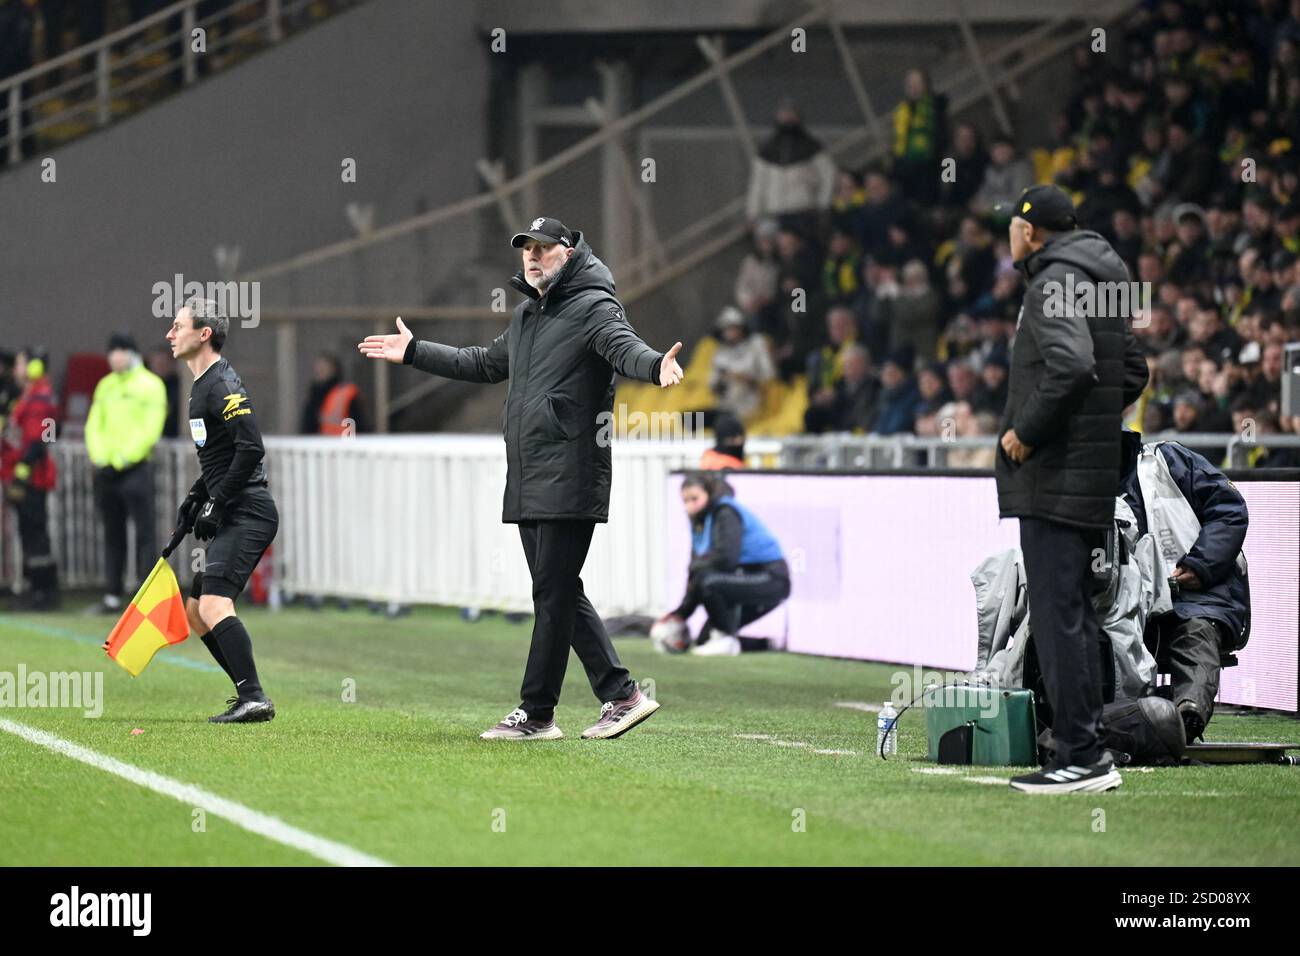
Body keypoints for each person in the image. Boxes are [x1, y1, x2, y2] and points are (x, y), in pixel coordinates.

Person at [358, 216, 685, 741]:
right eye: (526, 249)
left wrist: (654, 368)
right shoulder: (529, 314)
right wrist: (415, 351)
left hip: (570, 472)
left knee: (552, 594)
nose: (532, 257)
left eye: (544, 248)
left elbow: (624, 347)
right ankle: (622, 695)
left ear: (570, 252)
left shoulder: (595, 306)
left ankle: (537, 714)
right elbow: (485, 364)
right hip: (531, 473)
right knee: (557, 590)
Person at [995, 185, 1149, 794]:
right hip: (1090, 477)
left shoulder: (1052, 280)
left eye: (1011, 224)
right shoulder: (1101, 275)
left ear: (1029, 230)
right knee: (1075, 613)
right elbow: (1130, 370)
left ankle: (1079, 756)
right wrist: (1091, 429)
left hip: (1055, 478)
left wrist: (1025, 434)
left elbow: (1072, 365)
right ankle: (1090, 753)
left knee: (1058, 616)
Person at [166, 298, 279, 724]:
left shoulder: (221, 385)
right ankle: (246, 693)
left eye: (178, 326)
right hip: (234, 507)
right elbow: (222, 454)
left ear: (203, 334)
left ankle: (254, 697)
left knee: (213, 605)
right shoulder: (202, 385)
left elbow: (251, 448)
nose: (170, 334)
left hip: (249, 511)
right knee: (196, 611)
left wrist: (217, 500)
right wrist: (198, 494)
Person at [1118, 431, 1249, 742]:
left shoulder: (1169, 460)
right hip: (1120, 607)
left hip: (1191, 597)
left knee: (1195, 632)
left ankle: (1184, 718)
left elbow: (1229, 509)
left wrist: (1199, 566)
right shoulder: (1077, 486)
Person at [658, 472, 790, 657]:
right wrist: (680, 614)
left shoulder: (725, 512)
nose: (690, 506)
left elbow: (726, 559)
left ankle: (726, 638)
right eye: (685, 501)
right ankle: (762, 644)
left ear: (708, 494)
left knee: (708, 582)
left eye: (694, 499)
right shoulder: (699, 521)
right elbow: (696, 571)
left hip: (770, 578)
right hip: (742, 577)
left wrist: (696, 568)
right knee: (704, 638)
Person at [85, 332, 168, 614]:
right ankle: (112, 596)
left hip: (136, 470)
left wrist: (124, 457)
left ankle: (146, 599)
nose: (115, 357)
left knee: (145, 534)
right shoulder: (105, 386)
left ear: (132, 353)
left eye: (121, 351)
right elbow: (94, 424)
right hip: (107, 471)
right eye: (112, 351)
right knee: (112, 533)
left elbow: (151, 428)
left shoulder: (150, 385)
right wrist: (99, 456)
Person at [1, 347, 60, 610]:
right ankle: (38, 589)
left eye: (21, 363)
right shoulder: (28, 395)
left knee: (36, 534)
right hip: (23, 475)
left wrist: (21, 477)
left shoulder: (40, 397)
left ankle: (43, 592)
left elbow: (38, 442)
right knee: (30, 534)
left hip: (32, 478)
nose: (16, 369)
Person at [300, 352, 370, 435]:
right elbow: (308, 426)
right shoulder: (314, 396)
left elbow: (359, 423)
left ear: (333, 369)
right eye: (317, 370)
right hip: (320, 444)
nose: (319, 372)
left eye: (323, 368)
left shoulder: (345, 392)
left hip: (344, 444)